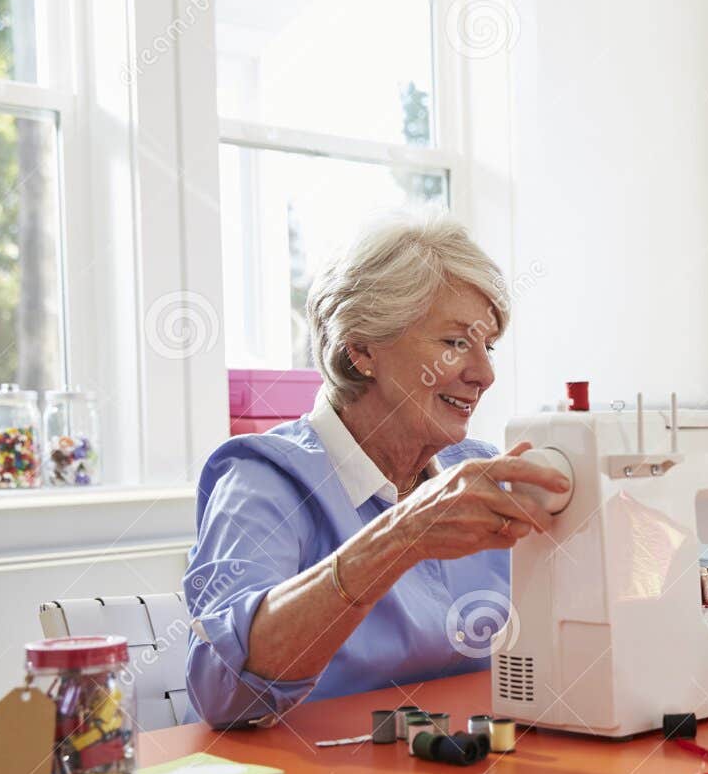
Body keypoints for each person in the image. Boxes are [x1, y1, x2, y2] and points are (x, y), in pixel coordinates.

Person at [183, 212, 568, 727]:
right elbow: (224, 695)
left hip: (467, 770)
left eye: (488, 345)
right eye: (455, 343)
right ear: (361, 349)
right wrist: (401, 536)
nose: (484, 373)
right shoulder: (263, 481)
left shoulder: (474, 472)